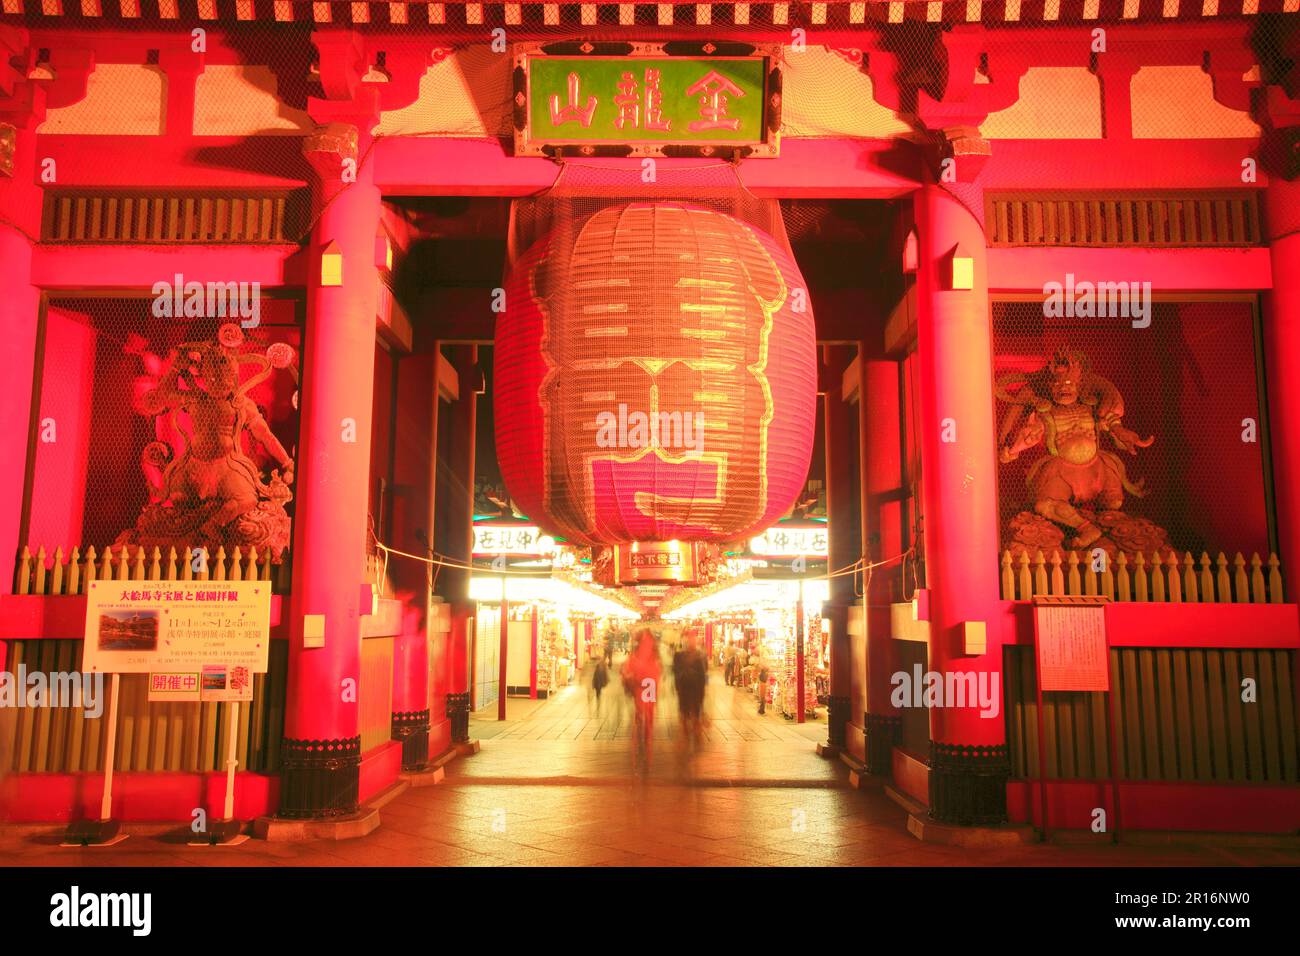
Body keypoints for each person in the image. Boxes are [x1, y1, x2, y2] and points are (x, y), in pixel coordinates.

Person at [622, 628, 662, 774]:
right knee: (641, 717)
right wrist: (629, 676)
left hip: (648, 687)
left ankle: (646, 746)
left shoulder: (647, 658)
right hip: (642, 688)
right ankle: (643, 745)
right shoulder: (636, 657)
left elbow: (656, 673)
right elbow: (628, 670)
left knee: (648, 717)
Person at [672, 633, 708, 748]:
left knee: (695, 714)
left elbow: (704, 674)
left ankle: (695, 736)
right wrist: (677, 686)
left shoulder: (700, 656)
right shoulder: (679, 656)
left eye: (693, 640)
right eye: (689, 640)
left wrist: (703, 690)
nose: (691, 642)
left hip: (696, 689)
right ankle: (687, 735)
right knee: (684, 713)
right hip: (684, 688)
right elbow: (675, 672)